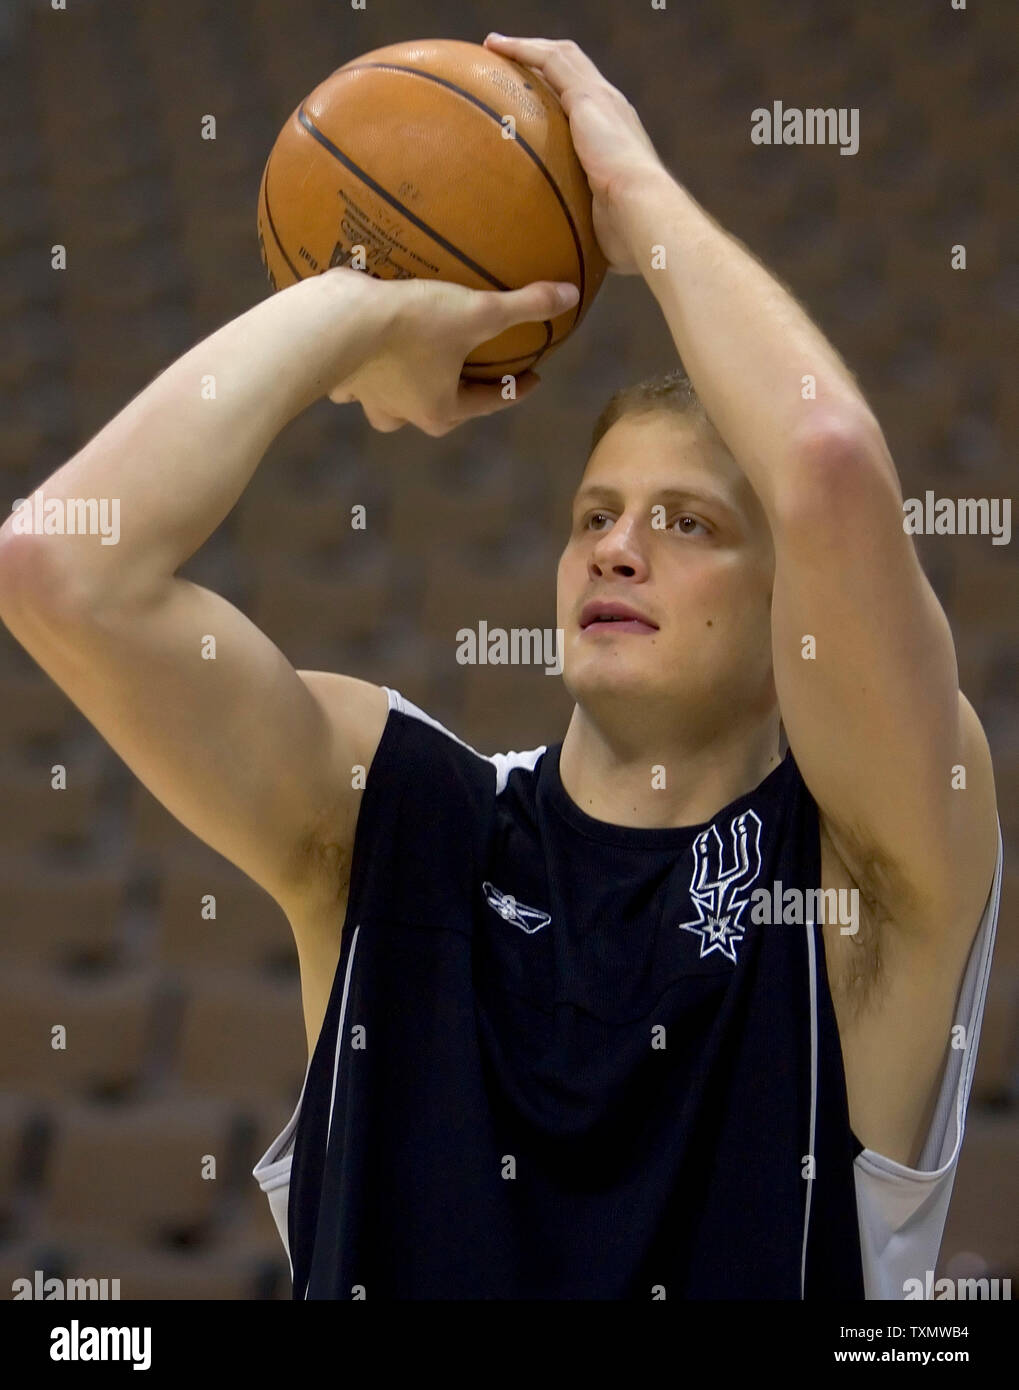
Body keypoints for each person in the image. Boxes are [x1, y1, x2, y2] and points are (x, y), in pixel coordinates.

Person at [0, 35, 1000, 1300]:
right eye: (593, 516)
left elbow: (827, 464)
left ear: (789, 603)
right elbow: (58, 568)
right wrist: (357, 305)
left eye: (686, 522)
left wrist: (631, 198)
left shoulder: (862, 877)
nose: (619, 549)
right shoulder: (397, 818)